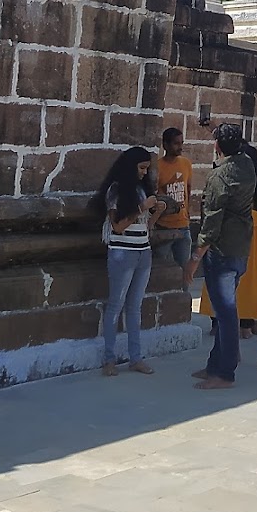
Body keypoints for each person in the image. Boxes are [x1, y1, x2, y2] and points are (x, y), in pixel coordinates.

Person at [201, 139, 257, 370]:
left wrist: (242, 214)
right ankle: (230, 354)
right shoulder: (229, 182)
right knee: (227, 304)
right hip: (229, 245)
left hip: (253, 248)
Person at [183, 123, 256, 390]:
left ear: (217, 146)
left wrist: (195, 258)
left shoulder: (220, 177)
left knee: (225, 313)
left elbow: (211, 224)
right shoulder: (247, 165)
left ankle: (225, 373)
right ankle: (215, 363)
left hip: (223, 250)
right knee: (225, 310)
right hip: (241, 248)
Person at [93, 146, 165, 376]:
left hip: (143, 251)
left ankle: (136, 358)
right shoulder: (116, 190)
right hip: (122, 253)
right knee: (116, 305)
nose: (145, 173)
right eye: (142, 168)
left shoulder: (141, 189)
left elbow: (145, 227)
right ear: (130, 166)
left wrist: (156, 213)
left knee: (135, 307)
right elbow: (118, 226)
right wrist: (142, 207)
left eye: (147, 168)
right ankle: (109, 359)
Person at [155, 128, 194, 290]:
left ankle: (184, 299)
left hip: (183, 225)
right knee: (160, 269)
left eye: (181, 143)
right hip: (163, 226)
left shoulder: (185, 163)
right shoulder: (157, 167)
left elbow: (188, 189)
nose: (180, 147)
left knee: (185, 269)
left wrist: (187, 212)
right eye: (176, 143)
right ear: (165, 145)